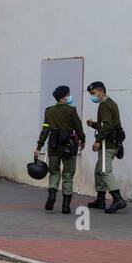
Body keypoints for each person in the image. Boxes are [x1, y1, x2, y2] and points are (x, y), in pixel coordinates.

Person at [35, 85, 85, 214]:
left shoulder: (49, 111)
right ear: (64, 96)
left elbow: (45, 130)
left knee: (54, 172)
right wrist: (83, 139)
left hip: (54, 147)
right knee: (68, 175)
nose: (70, 97)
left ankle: (52, 195)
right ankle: (66, 206)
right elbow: (78, 127)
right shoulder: (71, 110)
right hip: (69, 147)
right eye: (68, 94)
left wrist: (38, 147)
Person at [84, 81, 128, 214]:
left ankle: (118, 199)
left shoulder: (104, 104)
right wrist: (93, 124)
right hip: (111, 142)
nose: (92, 96)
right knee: (99, 170)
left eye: (93, 93)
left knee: (105, 171)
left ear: (101, 91)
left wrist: (98, 141)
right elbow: (106, 124)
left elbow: (107, 126)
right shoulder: (111, 103)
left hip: (107, 144)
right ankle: (101, 199)